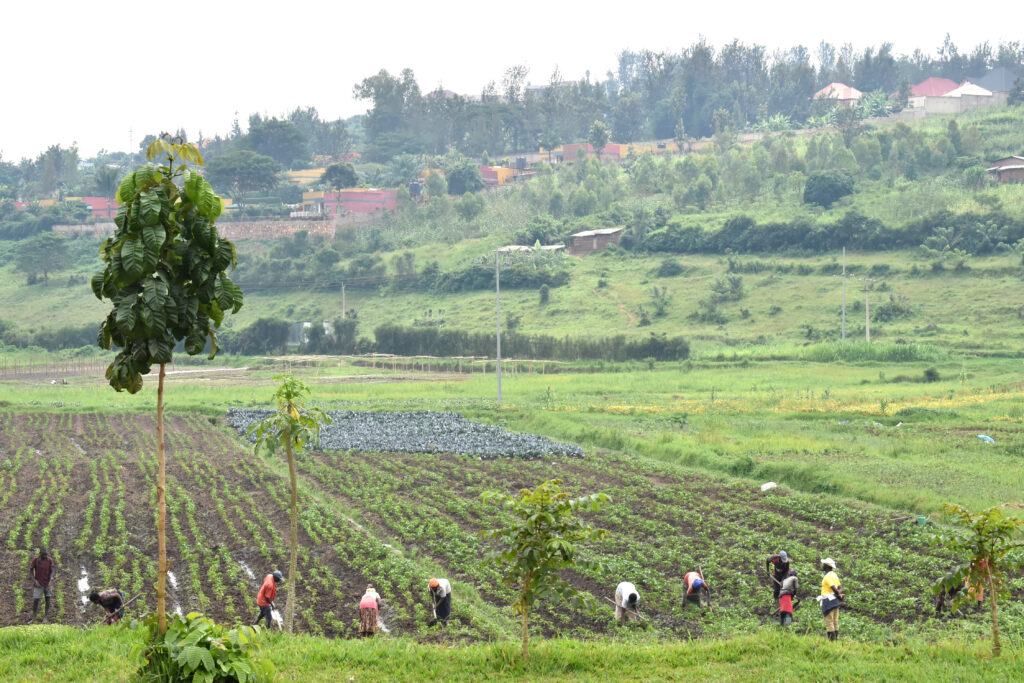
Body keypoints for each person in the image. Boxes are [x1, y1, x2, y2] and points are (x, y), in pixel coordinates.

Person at [817, 558, 844, 640]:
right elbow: (840, 587)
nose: (823, 565)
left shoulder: (827, 577)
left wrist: (837, 593)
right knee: (835, 620)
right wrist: (839, 594)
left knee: (829, 621)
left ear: (827, 566)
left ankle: (831, 640)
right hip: (836, 600)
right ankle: (836, 639)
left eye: (824, 564)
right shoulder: (834, 575)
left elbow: (833, 588)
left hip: (828, 600)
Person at [29, 547, 56, 623]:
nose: (45, 556)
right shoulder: (35, 560)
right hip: (38, 583)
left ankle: (45, 617)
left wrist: (51, 579)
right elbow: (31, 570)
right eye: (44, 555)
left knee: (48, 599)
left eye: (46, 555)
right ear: (40, 554)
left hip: (47, 583)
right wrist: (34, 581)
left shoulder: (50, 560)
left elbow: (52, 570)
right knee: (36, 600)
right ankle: (34, 617)